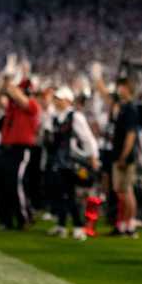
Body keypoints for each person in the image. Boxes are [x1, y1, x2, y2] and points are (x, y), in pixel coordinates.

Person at [43, 86, 99, 240]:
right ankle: (62, 225)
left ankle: (78, 226)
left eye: (59, 99)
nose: (56, 101)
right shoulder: (54, 117)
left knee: (69, 194)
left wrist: (93, 156)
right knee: (59, 193)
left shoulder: (75, 117)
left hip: (70, 162)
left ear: (68, 100)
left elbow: (87, 138)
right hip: (56, 161)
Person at [94, 75, 140, 237]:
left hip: (124, 156)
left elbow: (131, 135)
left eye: (121, 87)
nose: (119, 90)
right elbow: (108, 99)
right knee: (120, 191)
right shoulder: (121, 106)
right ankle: (122, 223)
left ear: (127, 89)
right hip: (117, 153)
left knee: (126, 191)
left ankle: (130, 224)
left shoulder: (130, 109)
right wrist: (99, 84)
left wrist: (124, 156)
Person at [0, 76, 40, 230]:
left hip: (21, 149)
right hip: (6, 148)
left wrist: (9, 83)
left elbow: (19, 97)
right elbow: (0, 98)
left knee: (16, 183)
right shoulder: (12, 106)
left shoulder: (32, 105)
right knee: (3, 184)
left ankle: (24, 217)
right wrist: (5, 83)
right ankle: (6, 219)